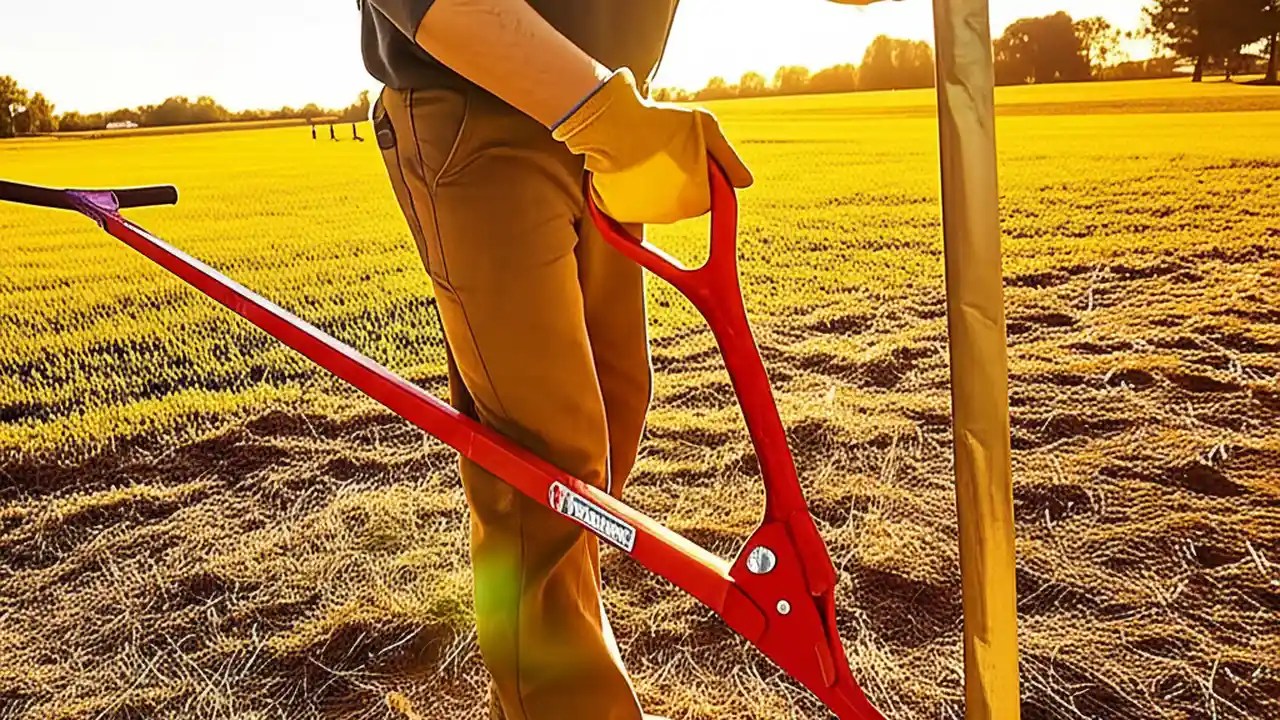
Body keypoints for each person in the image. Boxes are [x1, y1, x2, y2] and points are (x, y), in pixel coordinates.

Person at [358, 1, 858, 717]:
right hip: (480, 97)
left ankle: (537, 691)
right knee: (548, 468)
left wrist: (612, 117)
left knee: (618, 402)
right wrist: (602, 111)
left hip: (605, 117)